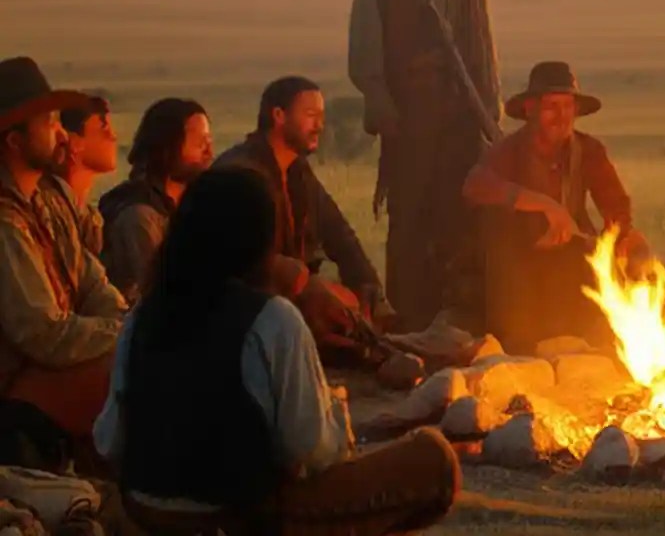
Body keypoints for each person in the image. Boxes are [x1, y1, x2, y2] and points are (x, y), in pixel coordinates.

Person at [94, 166, 460, 535]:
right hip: (239, 517)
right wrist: (335, 414)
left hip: (146, 512)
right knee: (432, 459)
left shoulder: (143, 316)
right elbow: (310, 451)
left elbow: (108, 439)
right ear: (260, 241)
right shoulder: (271, 318)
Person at [348, 0, 500, 334]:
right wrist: (380, 99)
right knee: (410, 215)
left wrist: (488, 110)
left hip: (461, 108)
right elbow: (366, 32)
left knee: (460, 212)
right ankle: (409, 323)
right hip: (410, 107)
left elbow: (481, 37)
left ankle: (456, 320)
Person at [463, 62, 646, 354]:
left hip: (571, 254)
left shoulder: (589, 151)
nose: (561, 116)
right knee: (519, 341)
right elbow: (476, 185)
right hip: (517, 259)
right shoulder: (510, 150)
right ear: (530, 109)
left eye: (567, 106)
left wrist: (620, 238)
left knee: (596, 321)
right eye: (551, 106)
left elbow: (616, 206)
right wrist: (544, 205)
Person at [0, 57, 127, 471]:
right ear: (14, 141)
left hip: (56, 368)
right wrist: (123, 335)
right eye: (49, 122)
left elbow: (93, 283)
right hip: (17, 390)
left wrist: (120, 326)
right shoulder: (5, 222)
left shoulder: (49, 202)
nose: (60, 131)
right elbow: (43, 332)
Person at [216, 77, 389, 363]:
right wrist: (304, 283)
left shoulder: (298, 172)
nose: (320, 126)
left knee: (353, 305)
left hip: (287, 300)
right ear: (279, 116)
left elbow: (340, 235)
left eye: (321, 117)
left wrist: (369, 287)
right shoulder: (240, 173)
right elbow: (236, 257)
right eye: (310, 116)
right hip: (244, 306)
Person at [98, 98, 212, 304]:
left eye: (208, 142)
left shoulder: (188, 205)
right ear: (169, 146)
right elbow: (162, 293)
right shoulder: (139, 216)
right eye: (199, 143)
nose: (209, 153)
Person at [48, 96, 116, 256]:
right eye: (103, 128)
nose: (113, 136)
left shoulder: (86, 214)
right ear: (73, 141)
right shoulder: (51, 212)